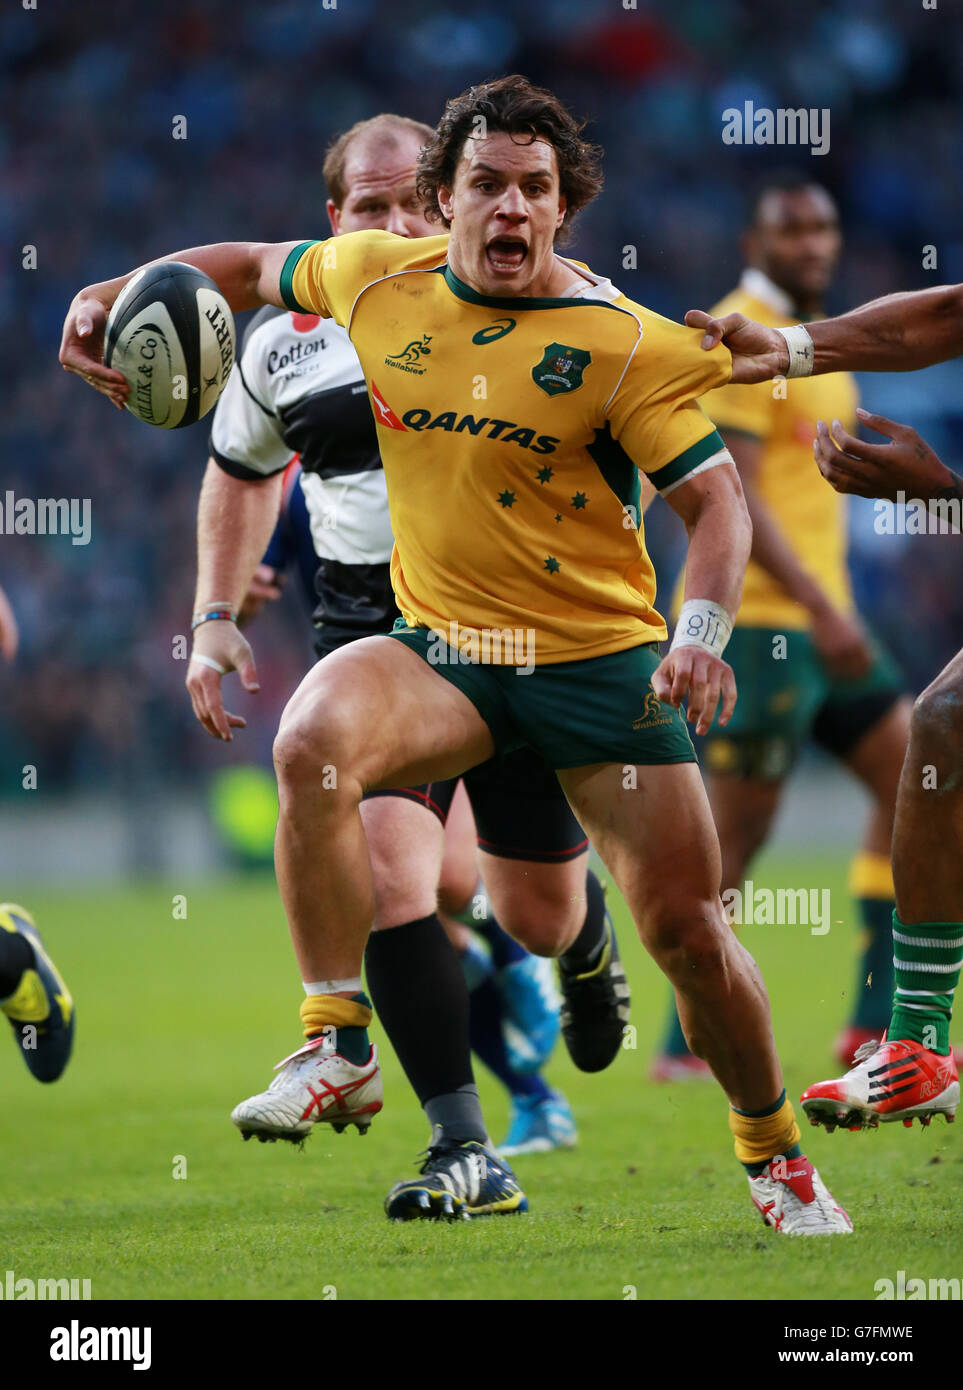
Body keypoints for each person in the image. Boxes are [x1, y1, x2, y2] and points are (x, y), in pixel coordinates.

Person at [60, 74, 852, 1234]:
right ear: (446, 198)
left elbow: (718, 503)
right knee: (314, 739)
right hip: (443, 651)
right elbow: (236, 265)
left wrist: (700, 633)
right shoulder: (372, 281)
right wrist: (107, 290)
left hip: (597, 661)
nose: (511, 209)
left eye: (535, 189)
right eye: (487, 184)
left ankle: (774, 1152)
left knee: (677, 927)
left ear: (563, 209)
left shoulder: (619, 337)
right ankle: (337, 1041)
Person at [686, 276, 963, 1130]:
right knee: (937, 729)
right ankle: (913, 1039)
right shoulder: (765, 335)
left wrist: (942, 493)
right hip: (777, 629)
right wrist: (790, 346)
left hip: (807, 625)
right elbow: (945, 314)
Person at [243, 449, 576, 1157]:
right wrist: (227, 601)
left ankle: (557, 942)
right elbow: (257, 558)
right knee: (404, 894)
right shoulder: (299, 455)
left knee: (473, 892)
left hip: (478, 663)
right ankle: (515, 1108)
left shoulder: (442, 420)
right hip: (374, 694)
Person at [653, 178, 911, 1081]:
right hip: (768, 629)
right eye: (790, 230)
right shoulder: (734, 332)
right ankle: (683, 1039)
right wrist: (818, 606)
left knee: (920, 774)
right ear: (752, 240)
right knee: (733, 847)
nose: (811, 244)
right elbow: (738, 495)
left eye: (823, 227)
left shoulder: (815, 337)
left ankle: (874, 1018)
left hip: (826, 627)